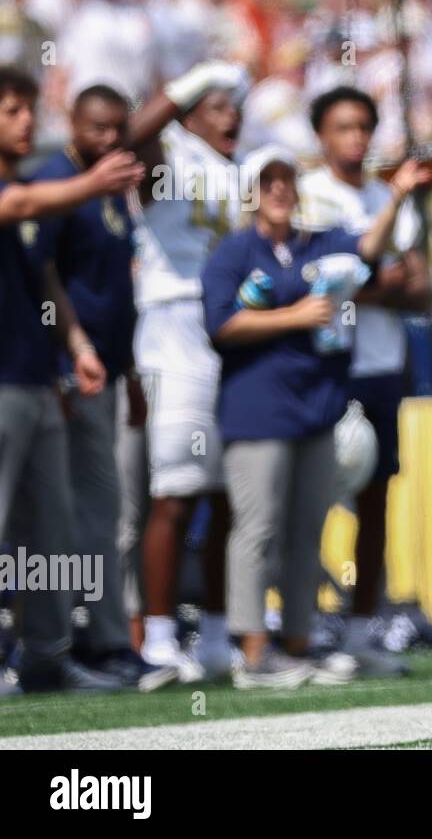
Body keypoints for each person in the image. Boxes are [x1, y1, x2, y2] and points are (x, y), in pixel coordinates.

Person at [200, 145, 429, 688]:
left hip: (317, 405)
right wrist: (293, 316)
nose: (280, 189)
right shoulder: (233, 251)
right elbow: (220, 324)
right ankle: (253, 651)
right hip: (258, 407)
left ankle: (296, 643)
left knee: (307, 530)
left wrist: (396, 197)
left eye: (287, 180)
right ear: (252, 193)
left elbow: (368, 250)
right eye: (268, 180)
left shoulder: (318, 242)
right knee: (257, 529)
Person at [0, 65, 143, 693]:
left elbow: (46, 280)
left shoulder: (36, 189)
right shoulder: (32, 191)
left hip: (37, 379)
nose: (27, 121)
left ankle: (48, 657)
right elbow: (20, 205)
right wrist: (92, 183)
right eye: (11, 110)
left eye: (30, 108)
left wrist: (78, 344)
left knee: (54, 529)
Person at [296, 86, 432, 676]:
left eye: (362, 127)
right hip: (326, 363)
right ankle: (303, 621)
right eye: (342, 128)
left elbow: (423, 288)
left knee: (377, 497)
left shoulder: (388, 195)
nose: (354, 139)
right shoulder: (309, 196)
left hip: (379, 364)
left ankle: (361, 623)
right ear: (321, 136)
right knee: (309, 497)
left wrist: (367, 280)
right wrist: (381, 279)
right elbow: (315, 282)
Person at [128, 59, 251, 680]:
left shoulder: (236, 170)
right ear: (192, 110)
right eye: (218, 105)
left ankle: (215, 633)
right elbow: (133, 135)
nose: (231, 116)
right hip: (173, 329)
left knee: (228, 492)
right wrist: (191, 77)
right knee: (173, 492)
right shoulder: (169, 154)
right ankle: (156, 634)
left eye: (235, 105)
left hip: (228, 334)